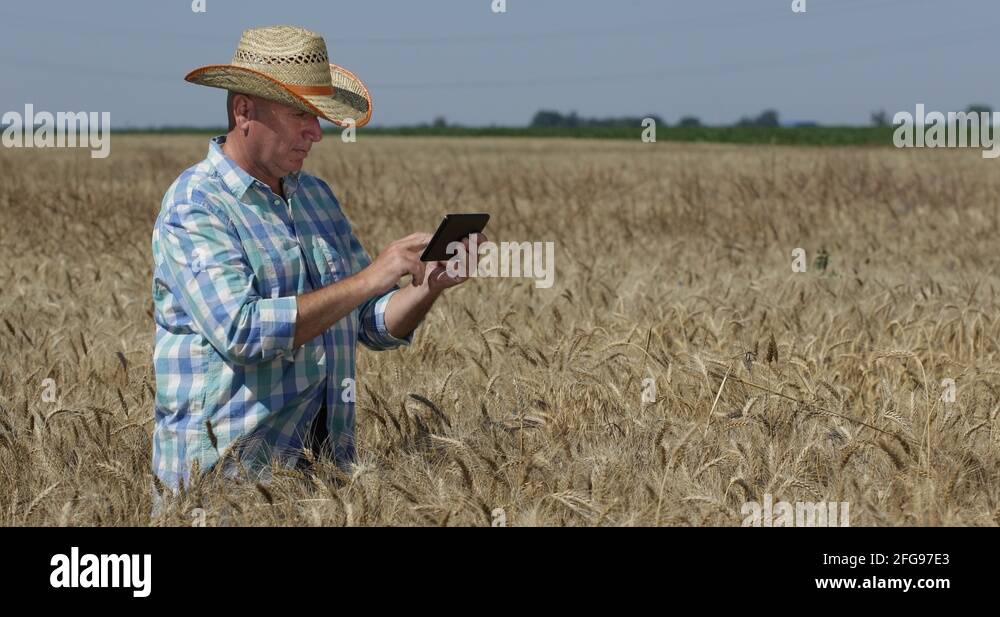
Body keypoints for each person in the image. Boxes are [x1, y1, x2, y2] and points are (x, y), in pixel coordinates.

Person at [150, 25, 480, 491]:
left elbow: (369, 324)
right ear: (244, 111)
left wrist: (427, 287)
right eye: (298, 114)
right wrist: (373, 276)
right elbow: (242, 332)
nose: (316, 133)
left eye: (318, 117)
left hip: (324, 480)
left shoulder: (316, 198)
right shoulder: (196, 204)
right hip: (225, 485)